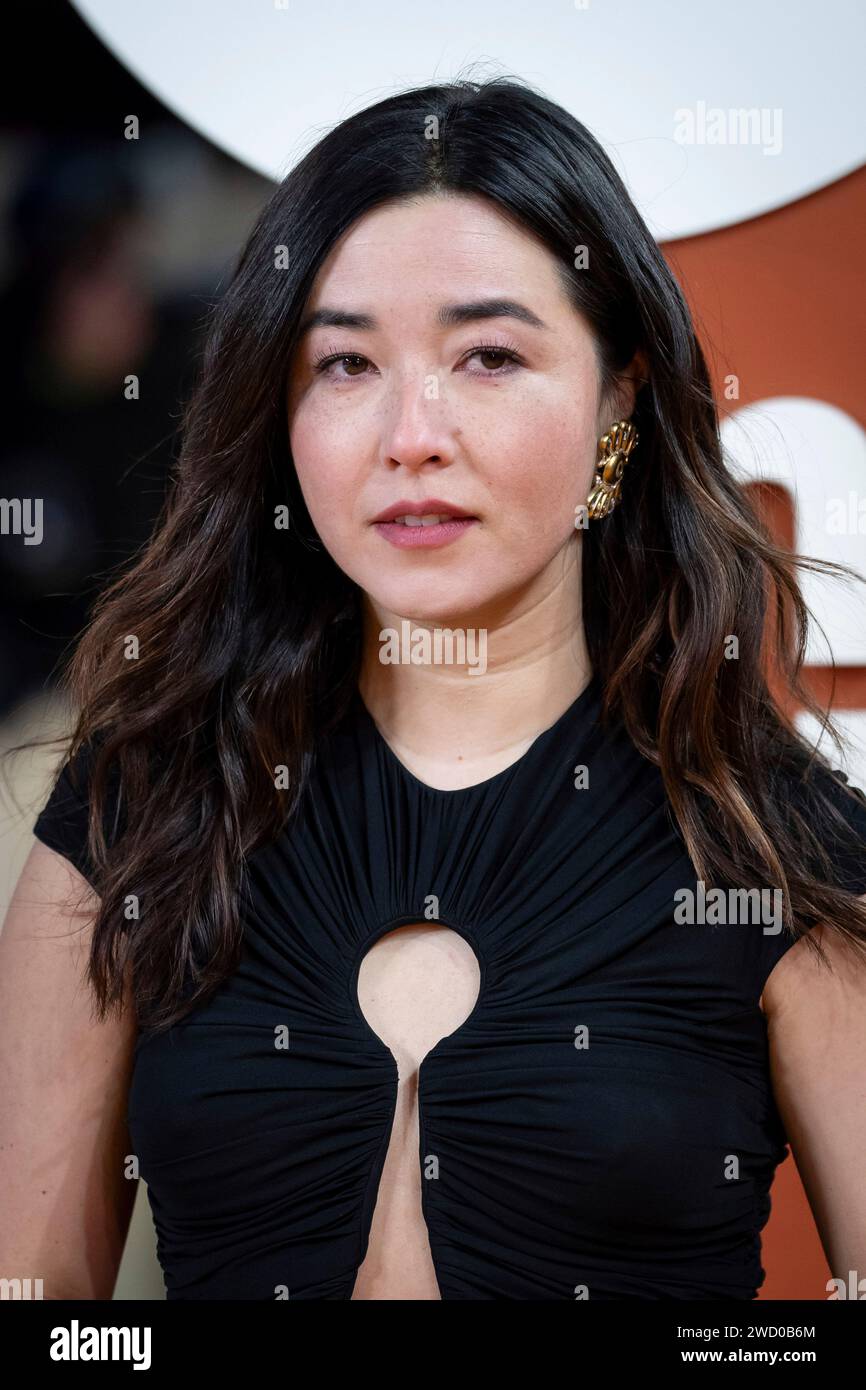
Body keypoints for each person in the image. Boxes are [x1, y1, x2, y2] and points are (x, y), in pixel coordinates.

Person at [2, 74, 865, 1302]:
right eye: (345, 364)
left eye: (488, 355)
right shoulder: (132, 821)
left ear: (617, 400)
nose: (413, 431)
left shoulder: (777, 853)